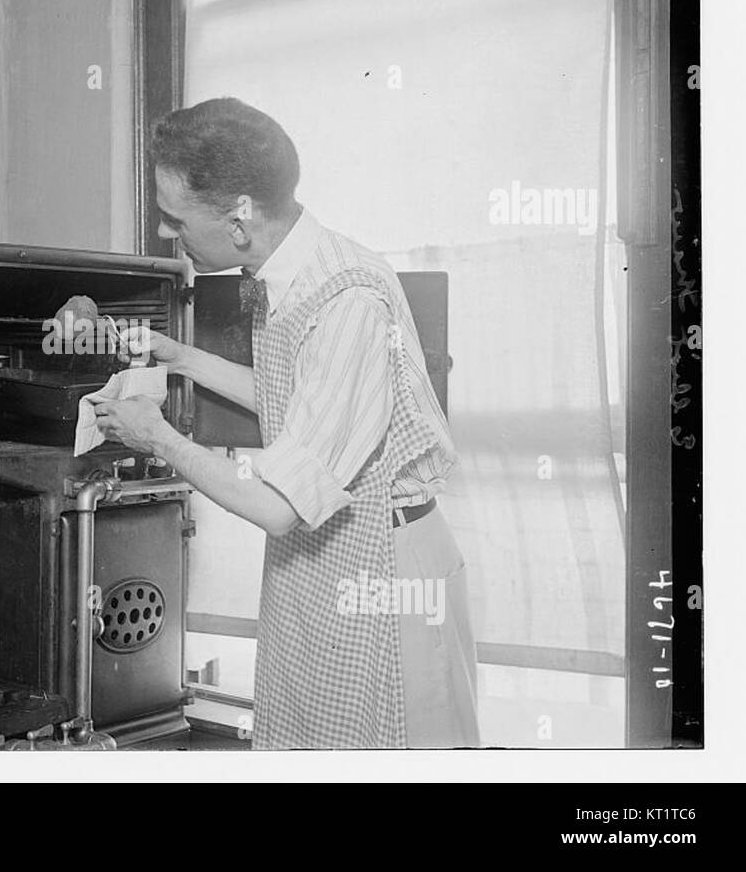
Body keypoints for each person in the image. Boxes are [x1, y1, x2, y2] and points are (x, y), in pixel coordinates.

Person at [91, 97, 479, 750]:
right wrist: (183, 357)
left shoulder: (347, 299)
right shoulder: (293, 271)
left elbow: (276, 504)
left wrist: (154, 435)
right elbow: (302, 409)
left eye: (173, 217)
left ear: (239, 218)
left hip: (384, 570)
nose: (165, 233)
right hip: (326, 554)